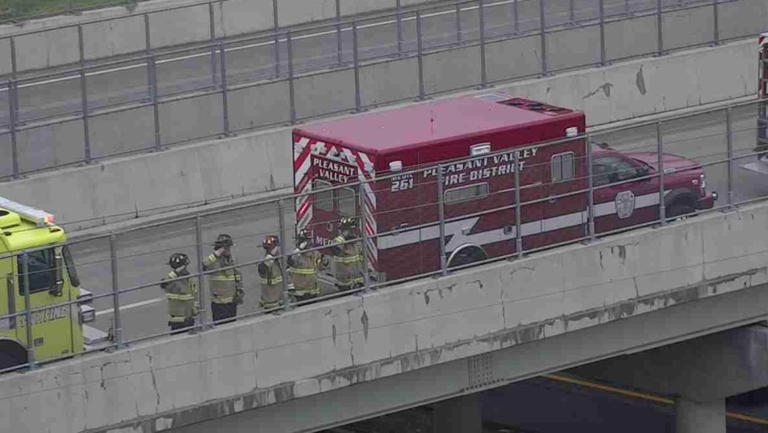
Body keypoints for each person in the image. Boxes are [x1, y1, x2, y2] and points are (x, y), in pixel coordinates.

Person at [203, 233, 243, 324]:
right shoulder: (213, 262)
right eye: (227, 248)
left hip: (232, 301)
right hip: (219, 303)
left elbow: (238, 275)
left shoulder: (232, 259)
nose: (229, 250)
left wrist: (239, 291)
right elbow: (204, 265)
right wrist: (217, 253)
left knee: (232, 324)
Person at [159, 253, 198, 334]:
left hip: (185, 318)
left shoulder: (186, 279)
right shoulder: (173, 280)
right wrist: (175, 272)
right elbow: (163, 284)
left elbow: (194, 295)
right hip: (179, 319)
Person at [287, 229, 323, 304]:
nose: (309, 244)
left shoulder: (315, 253)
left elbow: (319, 264)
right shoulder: (297, 255)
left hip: (313, 290)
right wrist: (299, 249)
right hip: (300, 292)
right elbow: (290, 261)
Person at [332, 217, 364, 292]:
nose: (353, 232)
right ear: (344, 231)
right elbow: (336, 250)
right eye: (350, 230)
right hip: (345, 281)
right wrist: (344, 239)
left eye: (354, 229)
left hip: (357, 278)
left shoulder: (355, 241)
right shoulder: (339, 241)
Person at [258, 235, 284, 311]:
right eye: (277, 247)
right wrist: (271, 256)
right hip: (271, 303)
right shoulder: (267, 262)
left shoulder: (276, 261)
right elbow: (262, 269)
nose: (278, 249)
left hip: (279, 301)